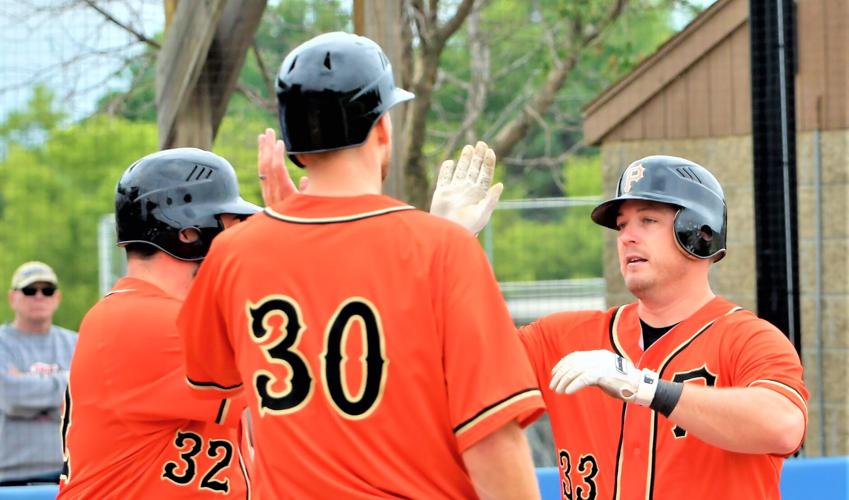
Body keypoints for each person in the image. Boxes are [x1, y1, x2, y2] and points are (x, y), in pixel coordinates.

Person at [177, 31, 544, 499]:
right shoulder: (443, 249)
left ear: (295, 147)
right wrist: (444, 237)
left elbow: (224, 390)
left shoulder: (231, 254)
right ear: (382, 130)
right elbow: (493, 442)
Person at [519, 155, 808, 499]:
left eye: (648, 220)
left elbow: (784, 426)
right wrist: (461, 243)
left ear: (700, 233)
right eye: (622, 225)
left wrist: (645, 388)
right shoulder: (563, 337)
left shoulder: (748, 339)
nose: (627, 237)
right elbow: (466, 367)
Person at [57, 149, 262, 499]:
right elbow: (285, 382)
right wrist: (297, 242)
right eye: (231, 223)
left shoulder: (160, 315)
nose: (239, 240)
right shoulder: (140, 319)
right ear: (190, 234)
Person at [0, 261, 76, 486]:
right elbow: (11, 397)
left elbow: (90, 395)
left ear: (57, 297)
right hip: (9, 477)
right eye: (29, 290)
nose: (39, 296)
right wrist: (66, 382)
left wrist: (26, 382)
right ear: (12, 297)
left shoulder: (77, 343)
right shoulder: (2, 343)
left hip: (68, 474)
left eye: (47, 290)